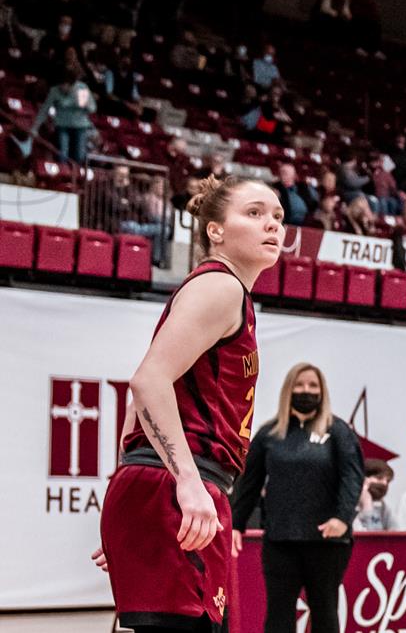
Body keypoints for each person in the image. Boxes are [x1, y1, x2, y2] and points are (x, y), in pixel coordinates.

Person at [91, 175, 281, 633]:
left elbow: (143, 398)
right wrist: (185, 483)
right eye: (253, 213)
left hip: (161, 485)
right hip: (179, 485)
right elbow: (148, 381)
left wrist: (132, 488)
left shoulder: (216, 290)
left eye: (277, 216)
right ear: (215, 230)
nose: (272, 225)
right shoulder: (222, 287)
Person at [232, 363, 364, 633]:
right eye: (300, 385)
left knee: (325, 611)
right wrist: (236, 522)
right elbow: (250, 482)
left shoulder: (339, 432)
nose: (306, 391)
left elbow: (352, 478)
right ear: (288, 389)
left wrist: (342, 517)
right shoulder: (270, 434)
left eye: (313, 386)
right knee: (278, 615)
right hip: (280, 541)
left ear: (322, 391)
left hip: (327, 541)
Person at [33, 68, 96, 165]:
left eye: (67, 85)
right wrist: (35, 127)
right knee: (62, 153)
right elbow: (44, 110)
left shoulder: (81, 88)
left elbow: (92, 109)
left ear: (72, 84)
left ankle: (76, 176)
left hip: (80, 126)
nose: (64, 87)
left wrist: (84, 102)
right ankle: (64, 174)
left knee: (79, 155)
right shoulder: (54, 91)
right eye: (62, 84)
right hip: (62, 125)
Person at [271, 163, 318, 228]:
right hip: (286, 222)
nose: (281, 175)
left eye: (285, 172)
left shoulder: (303, 187)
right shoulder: (276, 188)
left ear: (293, 175)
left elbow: (313, 204)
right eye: (280, 172)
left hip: (305, 222)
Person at [354, 460, 395, 531]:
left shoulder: (383, 506)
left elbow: (395, 532)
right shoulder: (349, 506)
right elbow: (363, 538)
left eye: (387, 481)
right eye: (379, 478)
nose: (384, 484)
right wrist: (367, 506)